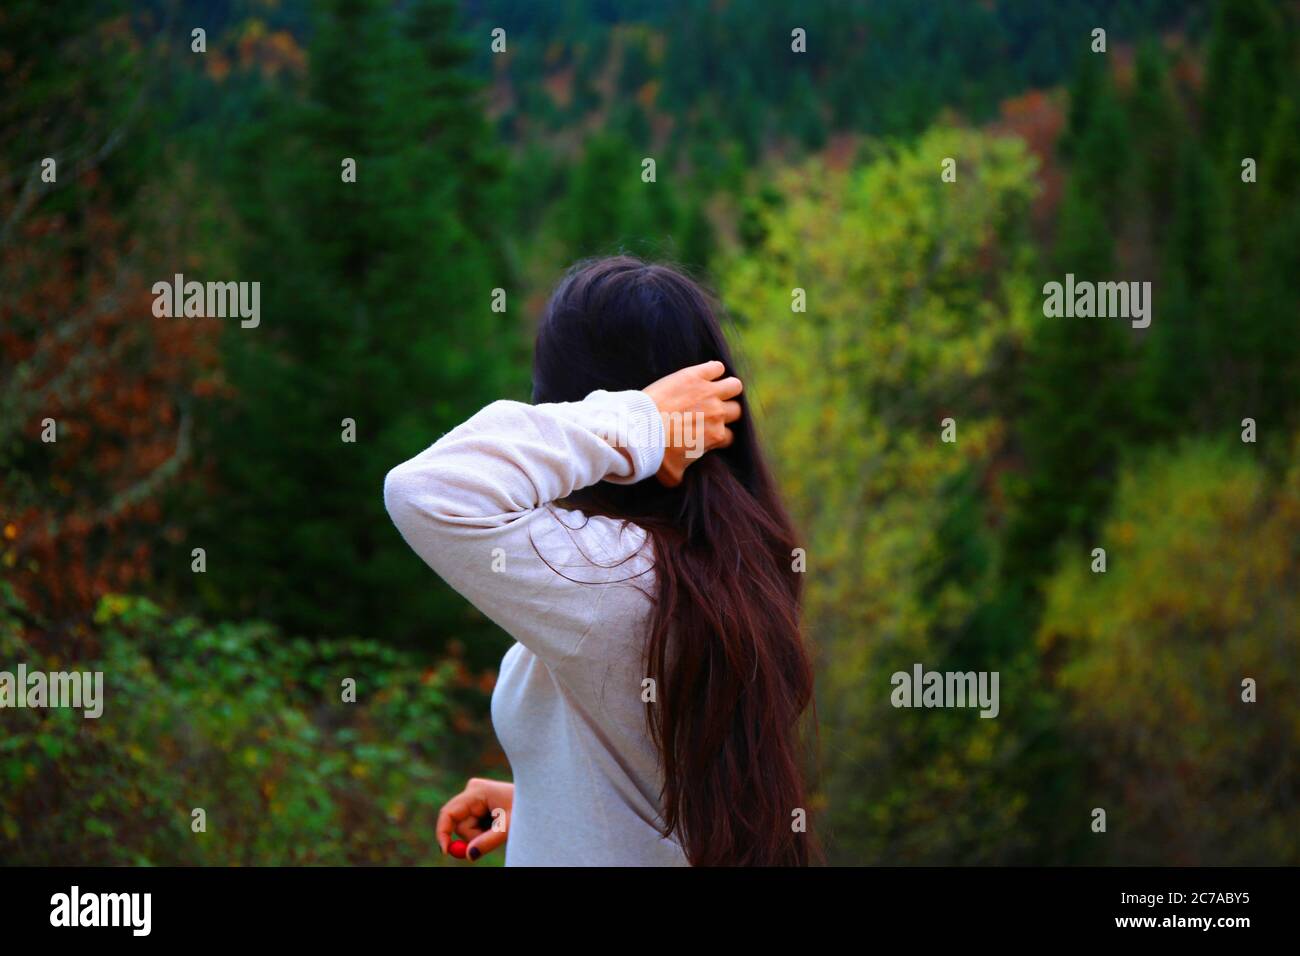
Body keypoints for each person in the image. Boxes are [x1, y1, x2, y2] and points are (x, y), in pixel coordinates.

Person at [384, 256, 816, 866]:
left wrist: (639, 418)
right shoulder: (725, 559)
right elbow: (665, 799)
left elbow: (425, 490)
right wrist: (537, 801)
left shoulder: (615, 575)